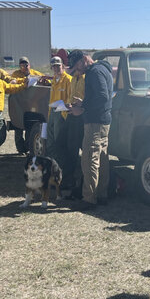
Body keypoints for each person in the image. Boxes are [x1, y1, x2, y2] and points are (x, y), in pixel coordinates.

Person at [68, 50, 113, 210]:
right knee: (102, 158)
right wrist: (84, 102)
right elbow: (102, 96)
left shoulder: (94, 72)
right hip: (103, 121)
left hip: (94, 122)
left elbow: (102, 96)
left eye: (77, 68)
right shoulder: (102, 70)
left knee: (89, 159)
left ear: (83, 60)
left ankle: (89, 198)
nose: (77, 72)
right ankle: (101, 195)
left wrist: (83, 108)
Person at [44, 56, 72, 181]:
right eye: (54, 66)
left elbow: (70, 99)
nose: (56, 68)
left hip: (62, 114)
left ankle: (62, 173)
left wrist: (63, 113)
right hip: (52, 113)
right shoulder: (55, 79)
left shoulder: (68, 80)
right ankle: (53, 169)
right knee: (50, 144)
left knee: (58, 143)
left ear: (63, 66)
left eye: (58, 66)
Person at [62, 58, 86, 199]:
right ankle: (68, 179)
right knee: (68, 148)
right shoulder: (73, 79)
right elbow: (71, 96)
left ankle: (77, 181)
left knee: (78, 150)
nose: (74, 71)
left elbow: (85, 98)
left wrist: (79, 108)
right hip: (71, 115)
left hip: (80, 117)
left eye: (75, 68)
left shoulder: (86, 78)